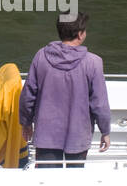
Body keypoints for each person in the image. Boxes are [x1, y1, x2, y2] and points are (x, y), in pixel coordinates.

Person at [19, 11, 111, 168]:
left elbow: (28, 95)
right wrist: (105, 131)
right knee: (73, 179)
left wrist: (26, 122)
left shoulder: (41, 56)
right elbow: (99, 104)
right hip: (78, 135)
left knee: (45, 180)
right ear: (80, 34)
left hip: (46, 135)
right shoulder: (93, 62)